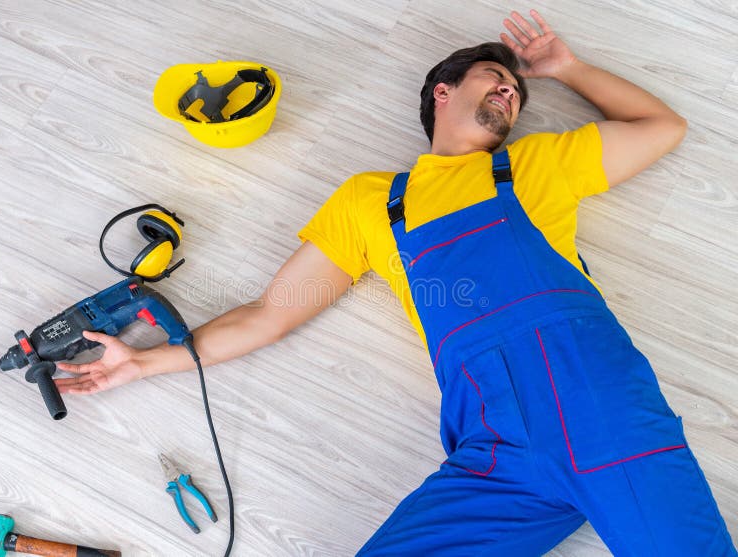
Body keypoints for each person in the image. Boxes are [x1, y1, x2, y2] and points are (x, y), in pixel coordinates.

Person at [55, 9, 737, 556]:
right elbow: (272, 311)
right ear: (443, 92)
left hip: (599, 407)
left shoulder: (537, 164)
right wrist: (148, 362)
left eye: (517, 93)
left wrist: (569, 68)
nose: (510, 91)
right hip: (496, 451)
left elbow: (661, 127)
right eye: (498, 78)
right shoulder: (370, 202)